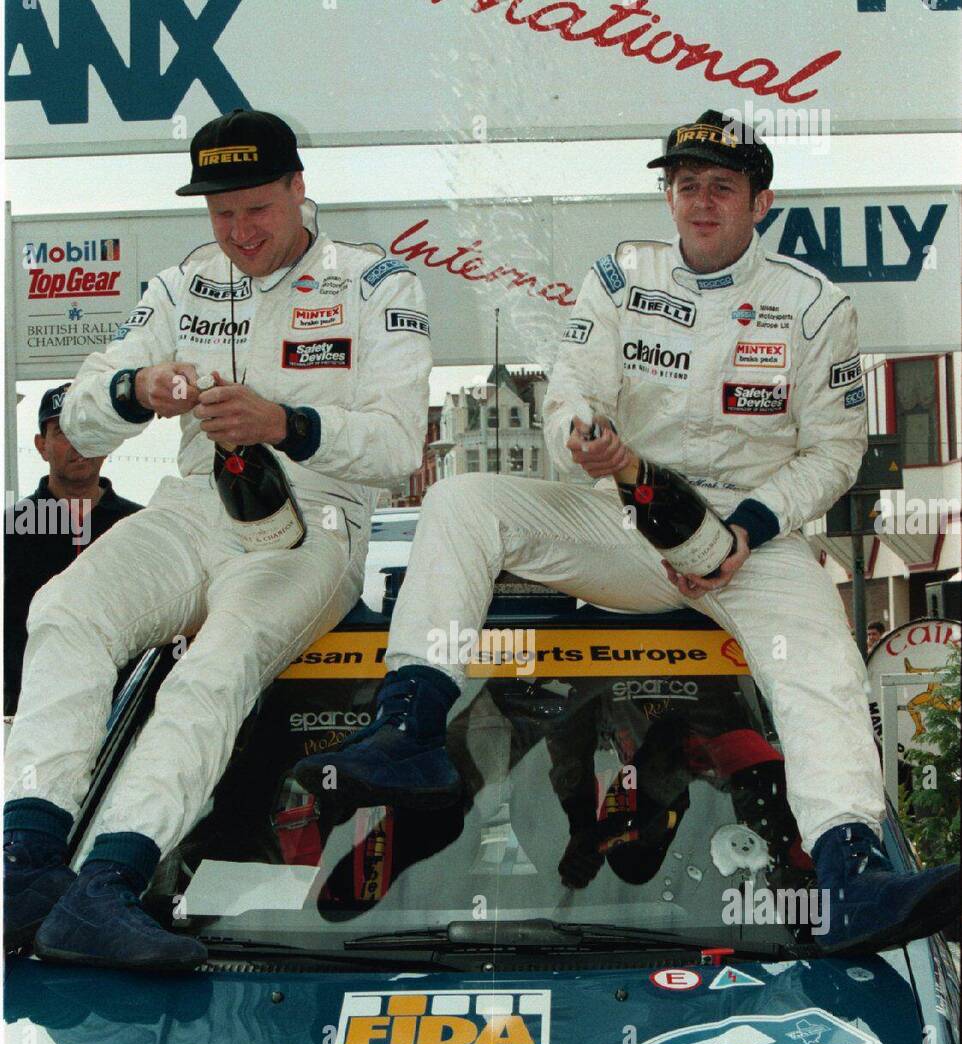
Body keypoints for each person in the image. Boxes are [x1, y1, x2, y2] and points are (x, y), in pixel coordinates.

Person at [297, 109, 957, 956]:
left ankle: (851, 874)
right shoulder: (617, 279)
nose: (702, 202)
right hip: (622, 516)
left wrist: (748, 528)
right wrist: (584, 441)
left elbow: (834, 451)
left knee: (820, 664)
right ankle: (411, 730)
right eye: (686, 186)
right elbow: (570, 390)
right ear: (668, 195)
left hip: (753, 540)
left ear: (762, 201)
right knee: (463, 503)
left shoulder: (814, 303)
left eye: (722, 186)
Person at [4, 108, 431, 968]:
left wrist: (287, 422)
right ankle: (26, 870)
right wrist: (137, 387)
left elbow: (394, 444)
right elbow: (81, 413)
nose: (238, 231)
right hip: (194, 501)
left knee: (219, 661)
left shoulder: (379, 284)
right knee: (65, 608)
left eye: (256, 208)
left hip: (316, 520)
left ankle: (112, 882)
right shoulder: (181, 285)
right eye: (220, 211)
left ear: (299, 189)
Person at [4, 385, 142, 715]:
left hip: (123, 708)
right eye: (63, 432)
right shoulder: (11, 529)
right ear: (42, 445)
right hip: (31, 710)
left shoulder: (140, 526)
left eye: (88, 428)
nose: (78, 444)